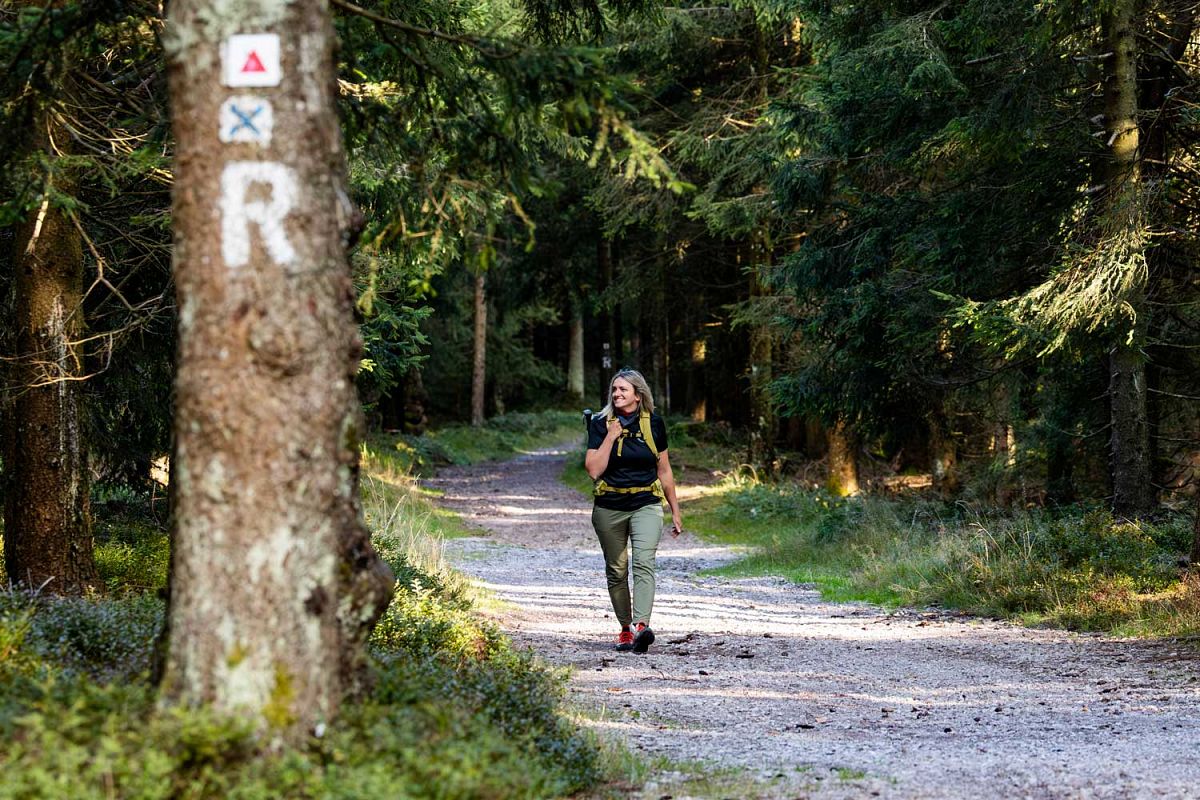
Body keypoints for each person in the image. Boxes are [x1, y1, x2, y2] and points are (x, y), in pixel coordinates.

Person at [585, 368, 683, 653]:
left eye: (623, 390)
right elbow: (593, 470)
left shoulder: (654, 424)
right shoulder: (601, 423)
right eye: (614, 390)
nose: (617, 394)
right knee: (617, 570)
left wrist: (675, 510)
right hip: (609, 507)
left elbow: (664, 470)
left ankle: (642, 626)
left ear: (638, 395)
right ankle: (625, 629)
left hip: (646, 504)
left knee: (643, 562)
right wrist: (610, 436)